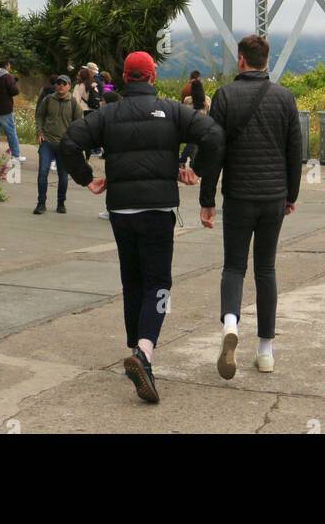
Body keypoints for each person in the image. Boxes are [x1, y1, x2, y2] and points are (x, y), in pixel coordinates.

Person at [60, 50, 224, 405]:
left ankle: (135, 347)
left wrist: (87, 178)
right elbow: (213, 135)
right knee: (159, 285)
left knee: (132, 280)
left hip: (121, 209)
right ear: (151, 76)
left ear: (125, 78)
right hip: (158, 209)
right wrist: (195, 169)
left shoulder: (108, 113)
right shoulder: (172, 110)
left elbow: (70, 141)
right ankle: (145, 352)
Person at [196, 34, 302, 380]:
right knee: (266, 269)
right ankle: (266, 351)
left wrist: (207, 200)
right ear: (266, 61)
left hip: (239, 195)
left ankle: (230, 323)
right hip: (273, 196)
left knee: (233, 267)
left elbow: (214, 151)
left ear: (241, 60)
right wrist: (291, 195)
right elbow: (294, 154)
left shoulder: (225, 96)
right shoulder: (285, 98)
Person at [34, 75, 82, 214]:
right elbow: (39, 115)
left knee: (63, 175)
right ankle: (41, 203)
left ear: (69, 86)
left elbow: (79, 124)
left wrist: (73, 141)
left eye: (64, 83)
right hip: (47, 142)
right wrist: (39, 132)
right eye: (59, 83)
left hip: (64, 145)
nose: (61, 85)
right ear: (55, 85)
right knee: (42, 172)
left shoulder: (74, 103)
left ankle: (61, 203)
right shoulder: (48, 99)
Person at [0, 57, 23, 162]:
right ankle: (16, 155)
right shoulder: (7, 77)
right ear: (7, 65)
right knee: (11, 133)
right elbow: (15, 91)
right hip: (5, 110)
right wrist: (14, 82)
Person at [179, 77, 211, 165]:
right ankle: (190, 161)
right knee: (195, 144)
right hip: (203, 127)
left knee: (192, 142)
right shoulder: (207, 100)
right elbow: (209, 113)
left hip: (189, 127)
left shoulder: (187, 100)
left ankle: (184, 159)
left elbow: (183, 113)